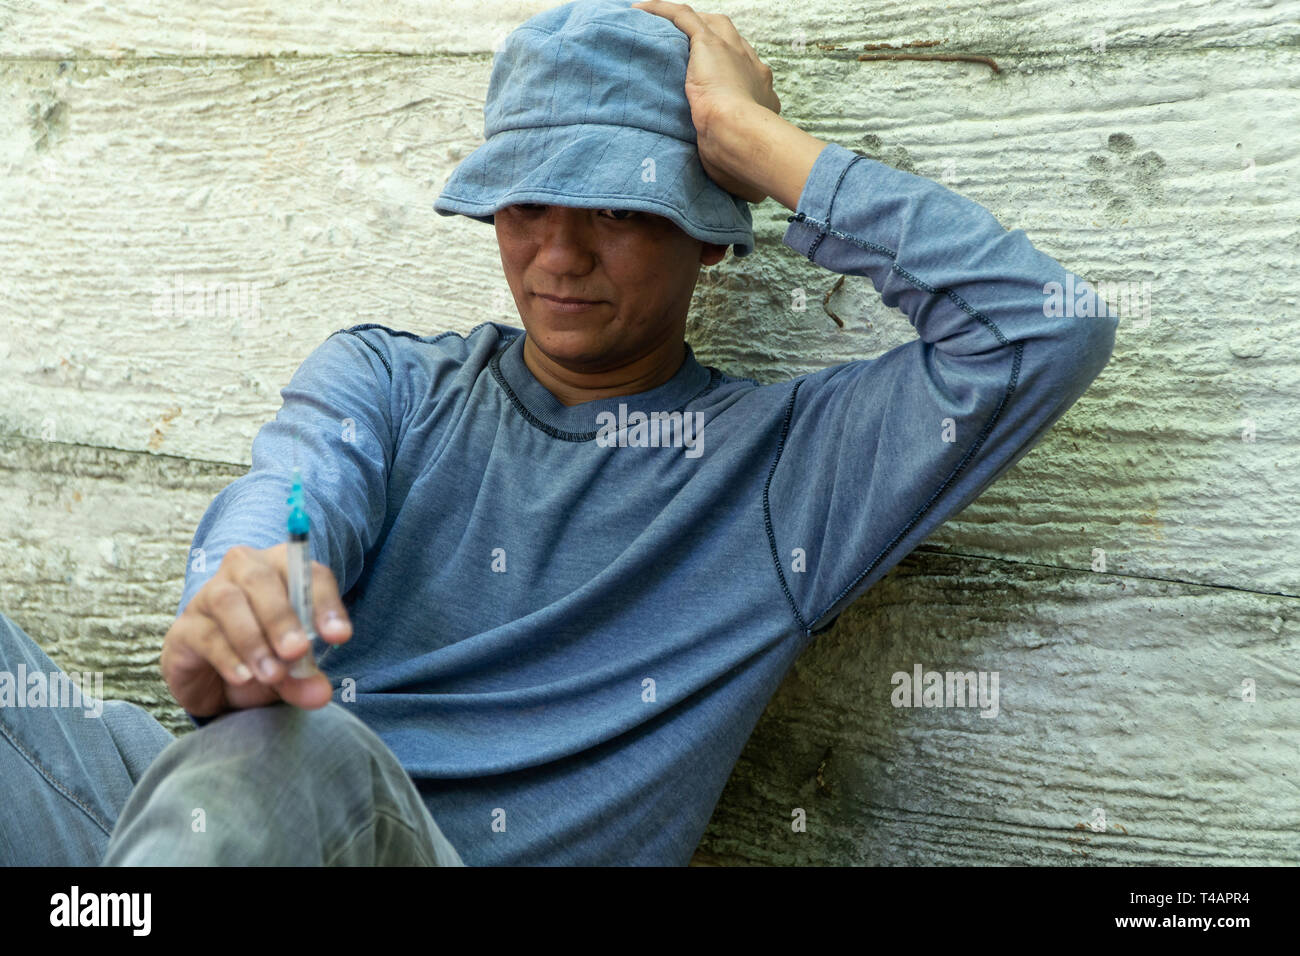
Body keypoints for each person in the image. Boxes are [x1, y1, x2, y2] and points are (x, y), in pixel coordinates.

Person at [0, 0, 1116, 866]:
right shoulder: (392, 379)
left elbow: (1038, 329)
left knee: (307, 750)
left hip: (322, 808)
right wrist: (245, 580)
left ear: (712, 232)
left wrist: (755, 137)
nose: (559, 254)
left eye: (622, 210)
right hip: (221, 826)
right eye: (528, 203)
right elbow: (295, 491)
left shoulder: (786, 473)